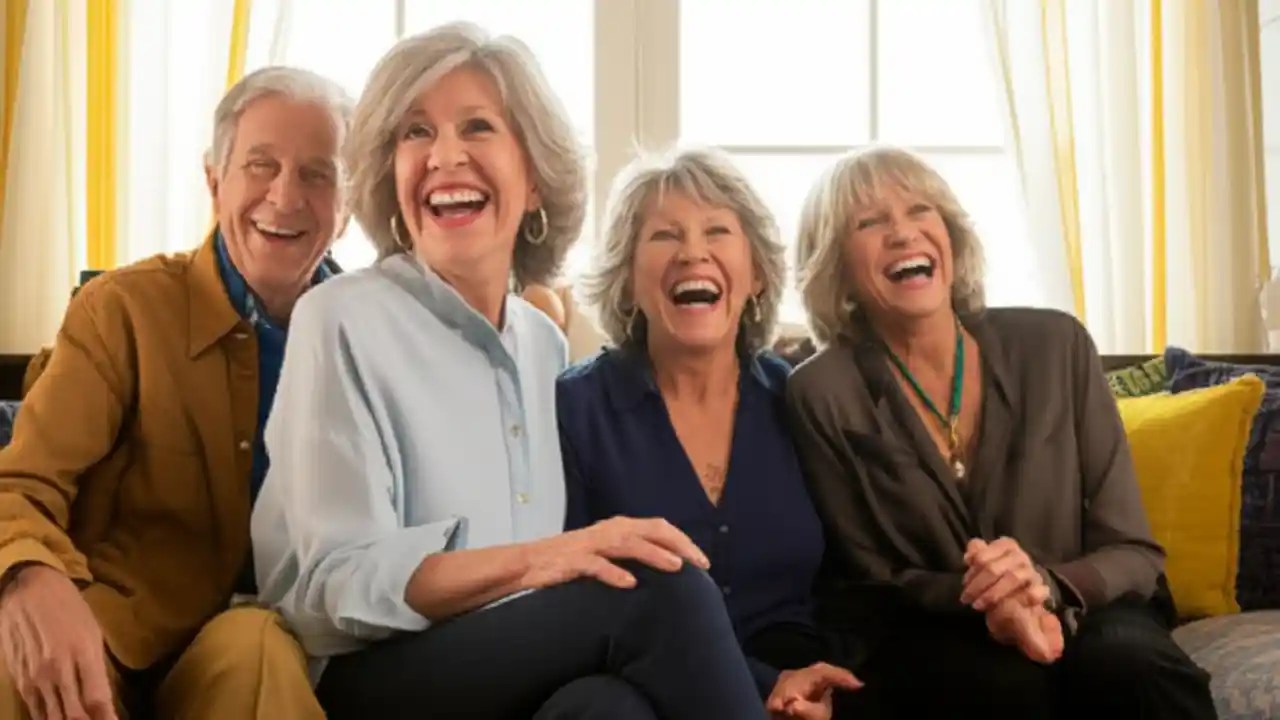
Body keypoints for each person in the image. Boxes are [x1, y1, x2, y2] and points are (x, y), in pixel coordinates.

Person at [251, 24, 768, 720]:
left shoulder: (541, 345)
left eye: (477, 127)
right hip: (375, 681)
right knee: (657, 587)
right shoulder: (340, 319)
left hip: (511, 674)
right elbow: (332, 589)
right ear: (389, 175)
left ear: (533, 183)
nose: (444, 156)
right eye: (415, 133)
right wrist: (541, 560)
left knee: (607, 709)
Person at [784, 145, 1217, 718]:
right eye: (870, 223)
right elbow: (870, 579)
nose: (902, 233)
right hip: (939, 625)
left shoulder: (1056, 345)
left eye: (920, 211)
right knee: (999, 686)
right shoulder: (820, 390)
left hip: (1091, 603)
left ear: (951, 238)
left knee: (1129, 665)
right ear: (834, 265)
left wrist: (1044, 586)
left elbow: (1134, 550)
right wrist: (992, 599)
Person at [0, 66, 351, 719]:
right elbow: (20, 486)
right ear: (215, 181)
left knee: (259, 650)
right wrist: (28, 575)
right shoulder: (121, 311)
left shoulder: (375, 335)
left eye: (317, 173)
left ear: (349, 202)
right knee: (14, 665)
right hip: (112, 636)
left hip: (270, 648)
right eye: (260, 165)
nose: (284, 196)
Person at [559, 148, 865, 720]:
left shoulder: (801, 399)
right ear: (627, 281)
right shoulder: (575, 410)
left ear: (756, 276)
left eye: (717, 231)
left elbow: (847, 582)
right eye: (664, 235)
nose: (692, 252)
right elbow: (575, 601)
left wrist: (809, 686)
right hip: (643, 684)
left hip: (804, 682)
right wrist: (763, 685)